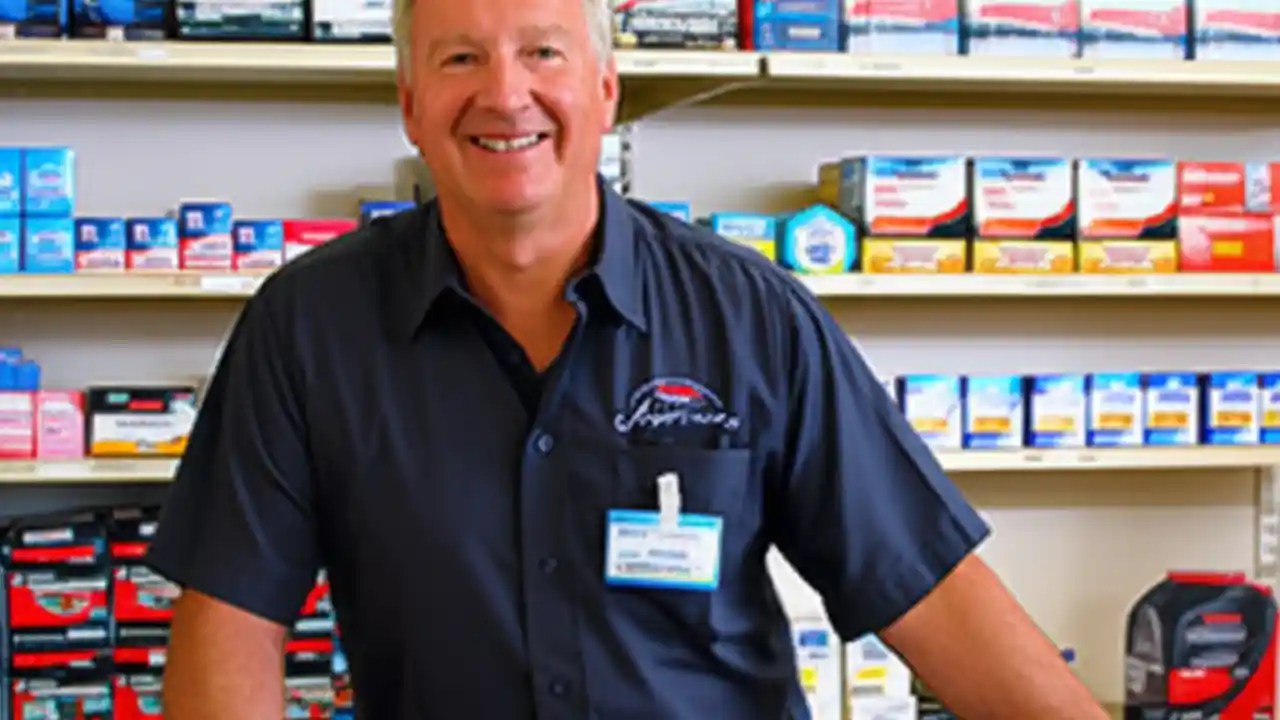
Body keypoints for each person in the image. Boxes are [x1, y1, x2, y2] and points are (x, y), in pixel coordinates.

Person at [145, 0, 1110, 717]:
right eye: (460, 58)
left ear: (604, 89)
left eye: (542, 52)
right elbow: (230, 625)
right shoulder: (308, 328)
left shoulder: (750, 319)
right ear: (409, 102)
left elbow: (938, 598)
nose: (504, 92)